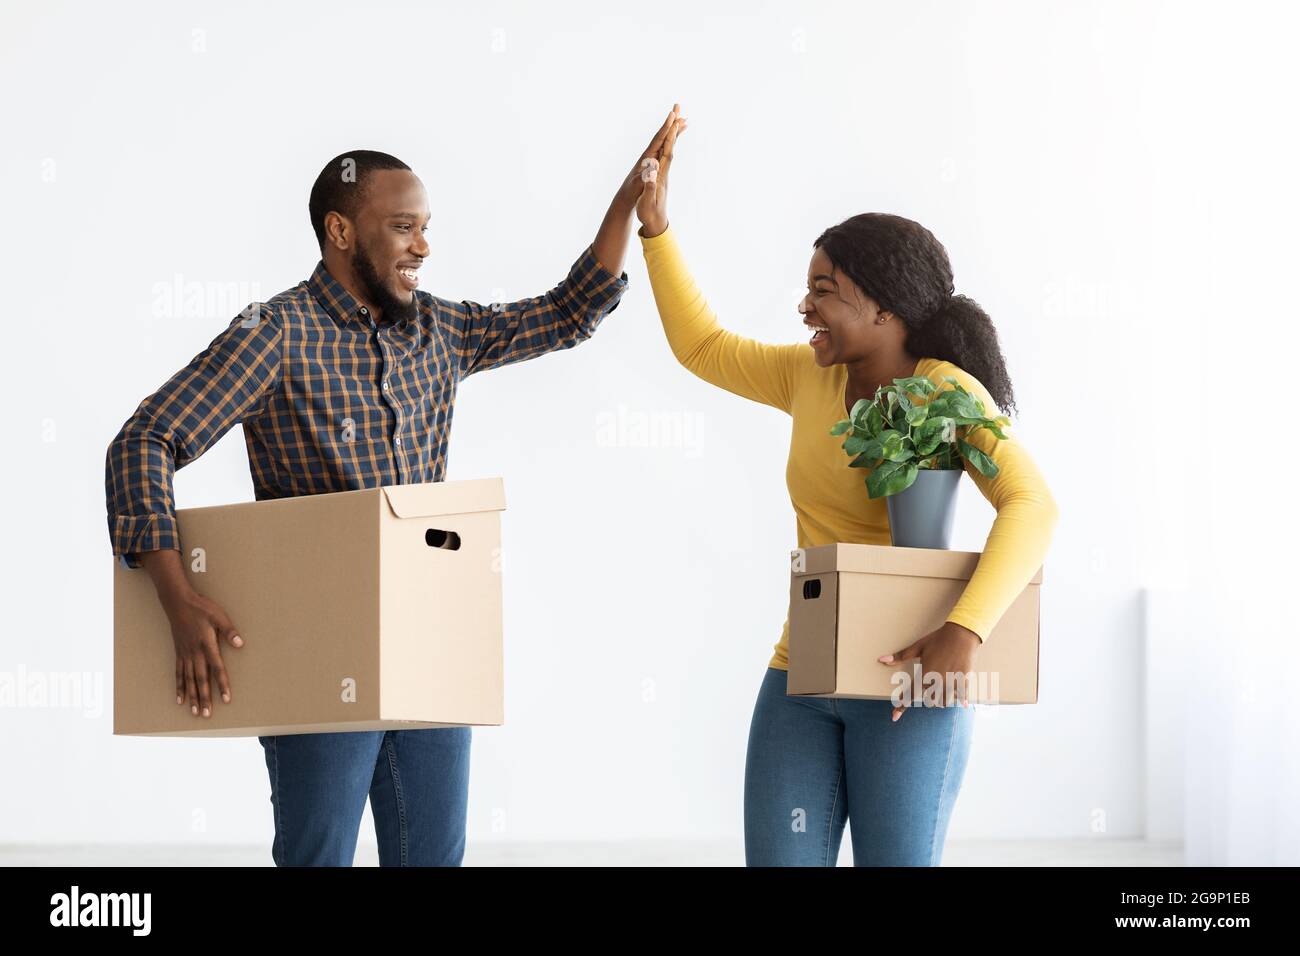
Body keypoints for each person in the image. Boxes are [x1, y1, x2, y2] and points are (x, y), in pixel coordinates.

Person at [104, 110, 683, 866]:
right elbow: (143, 441)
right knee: (319, 857)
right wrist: (176, 600)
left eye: (427, 227)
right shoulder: (275, 333)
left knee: (432, 857)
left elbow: (568, 312)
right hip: (318, 638)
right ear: (341, 232)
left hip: (432, 635)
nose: (424, 246)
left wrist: (630, 202)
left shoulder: (440, 330)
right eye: (405, 227)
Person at [634, 107, 1060, 866]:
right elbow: (702, 346)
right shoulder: (807, 376)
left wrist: (965, 631)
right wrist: (656, 230)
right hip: (803, 671)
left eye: (824, 290)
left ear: (885, 307)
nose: (805, 307)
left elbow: (1032, 505)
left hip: (910, 681)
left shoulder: (944, 391)